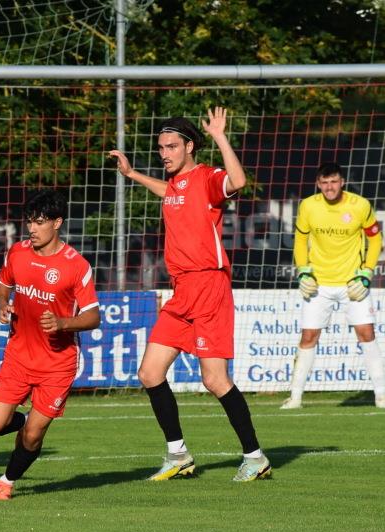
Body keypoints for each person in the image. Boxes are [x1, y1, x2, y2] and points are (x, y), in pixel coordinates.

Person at [108, 107, 272, 482]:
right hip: (181, 291)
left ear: (189, 147)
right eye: (161, 147)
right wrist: (133, 174)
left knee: (214, 380)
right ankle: (178, 455)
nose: (164, 153)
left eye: (171, 147)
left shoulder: (207, 177)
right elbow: (171, 193)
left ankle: (255, 456)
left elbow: (238, 180)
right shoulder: (177, 186)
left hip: (209, 287)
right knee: (150, 373)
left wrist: (219, 135)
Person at [0, 189, 100, 500]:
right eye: (29, 222)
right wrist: (2, 303)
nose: (31, 229)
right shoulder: (17, 253)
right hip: (19, 355)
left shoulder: (77, 266)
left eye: (39, 222)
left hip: (57, 362)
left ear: (57, 223)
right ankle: (23, 418)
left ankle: (7, 481)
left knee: (33, 436)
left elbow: (93, 317)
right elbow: (2, 284)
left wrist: (63, 323)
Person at [281, 162, 384, 409]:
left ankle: (381, 394)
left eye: (334, 181)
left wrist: (366, 273)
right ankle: (295, 397)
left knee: (366, 333)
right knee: (308, 336)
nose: (330, 187)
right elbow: (300, 240)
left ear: (342, 182)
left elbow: (375, 238)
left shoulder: (360, 205)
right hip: (318, 284)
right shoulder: (308, 206)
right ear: (318, 184)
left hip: (353, 283)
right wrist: (303, 272)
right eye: (325, 182)